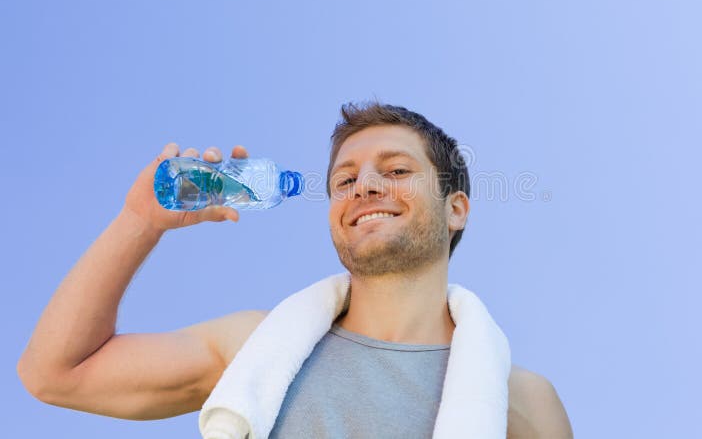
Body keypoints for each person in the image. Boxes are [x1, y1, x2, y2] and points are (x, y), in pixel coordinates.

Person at [17, 101, 573, 438]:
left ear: (457, 208)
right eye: (344, 180)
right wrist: (139, 221)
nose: (365, 187)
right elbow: (54, 374)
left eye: (397, 169)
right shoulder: (254, 350)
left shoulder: (522, 400)